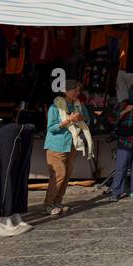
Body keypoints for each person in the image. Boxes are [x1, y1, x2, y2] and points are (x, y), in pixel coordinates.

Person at [44, 79, 91, 216]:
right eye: (75, 90)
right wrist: (68, 120)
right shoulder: (55, 107)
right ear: (66, 91)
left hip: (71, 144)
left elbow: (87, 117)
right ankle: (48, 204)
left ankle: (58, 202)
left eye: (78, 90)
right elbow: (51, 128)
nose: (77, 93)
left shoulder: (78, 105)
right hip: (56, 145)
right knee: (59, 174)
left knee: (67, 174)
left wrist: (80, 117)